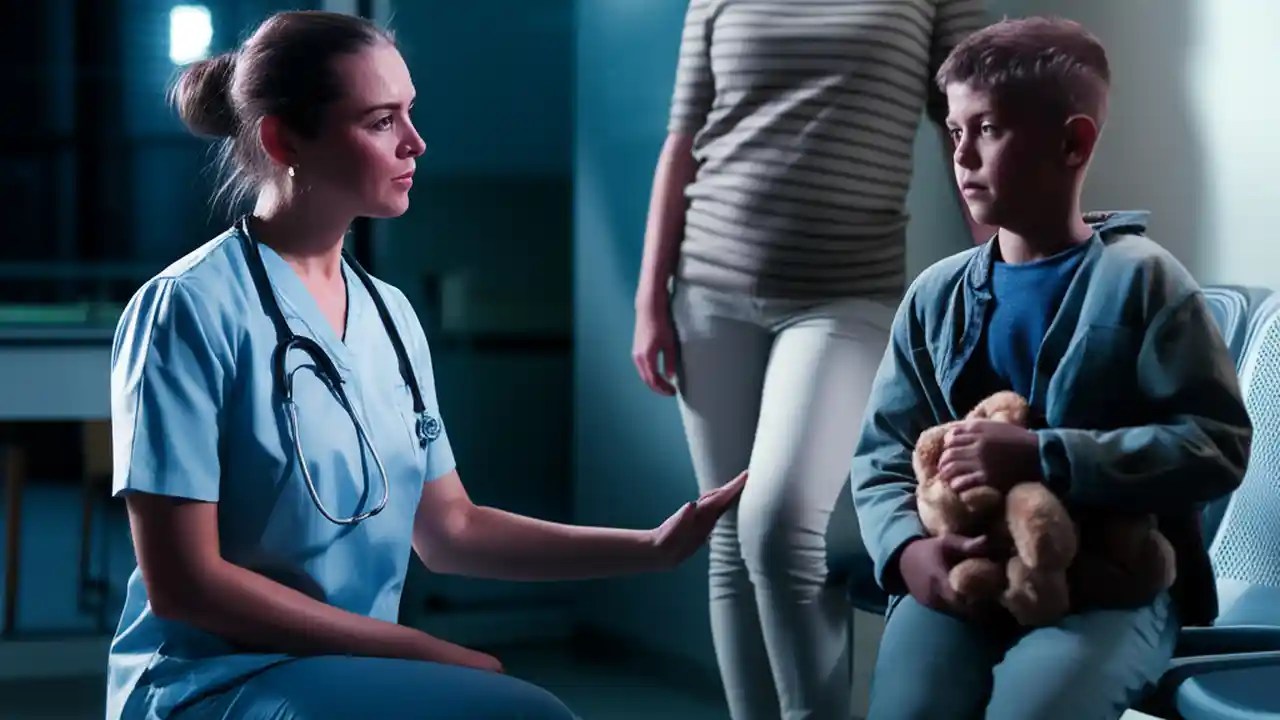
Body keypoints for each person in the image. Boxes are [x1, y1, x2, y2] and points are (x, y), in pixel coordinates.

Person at [105, 11, 747, 720]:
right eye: (381, 121)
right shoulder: (186, 309)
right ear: (283, 139)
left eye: (409, 112)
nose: (416, 142)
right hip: (213, 680)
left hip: (345, 668)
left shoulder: (389, 316)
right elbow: (184, 585)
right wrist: (410, 646)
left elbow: (450, 530)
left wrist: (652, 549)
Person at [850, 16, 1253, 719]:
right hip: (969, 571)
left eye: (989, 129)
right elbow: (884, 454)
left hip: (1113, 589)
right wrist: (908, 551)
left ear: (1073, 142)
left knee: (1030, 710)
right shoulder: (935, 296)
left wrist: (1045, 458)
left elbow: (1216, 444)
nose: (963, 155)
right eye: (954, 131)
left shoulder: (1146, 284)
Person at [631, 1, 990, 717]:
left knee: (781, 521)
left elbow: (974, 122)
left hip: (846, 293)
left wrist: (1006, 267)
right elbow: (683, 142)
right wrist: (650, 298)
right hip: (707, 290)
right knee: (728, 536)